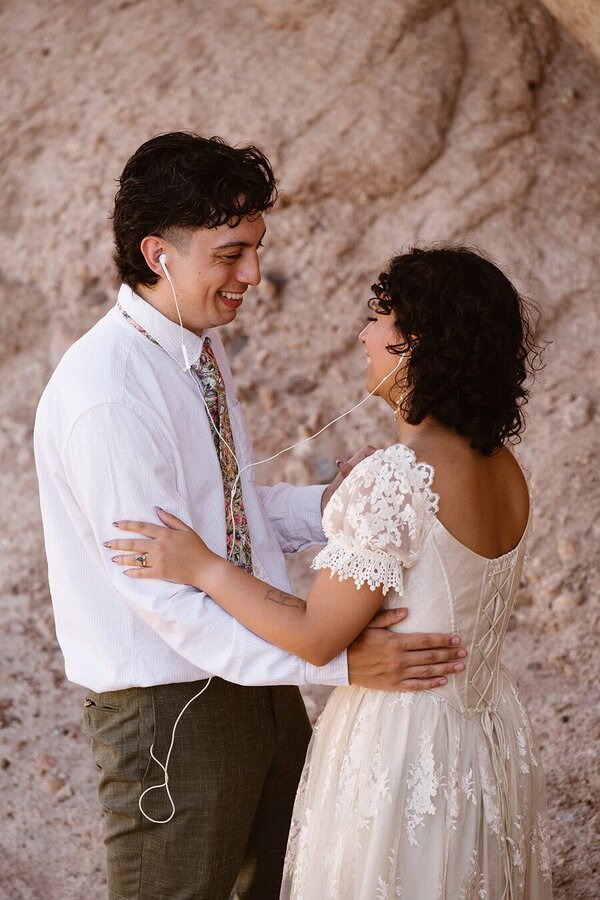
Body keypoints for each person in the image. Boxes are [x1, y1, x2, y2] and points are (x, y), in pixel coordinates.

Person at [33, 133, 467, 900]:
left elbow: (225, 516)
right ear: (159, 254)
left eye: (256, 249)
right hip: (173, 712)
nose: (254, 275)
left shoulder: (195, 346)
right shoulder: (108, 395)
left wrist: (338, 506)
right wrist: (337, 662)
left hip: (259, 675)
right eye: (231, 254)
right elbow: (166, 598)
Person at [109, 246, 553, 898]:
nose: (363, 337)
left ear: (414, 347)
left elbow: (317, 637)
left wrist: (202, 566)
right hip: (482, 732)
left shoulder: (399, 476)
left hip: (402, 740)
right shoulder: (503, 468)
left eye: (377, 318)